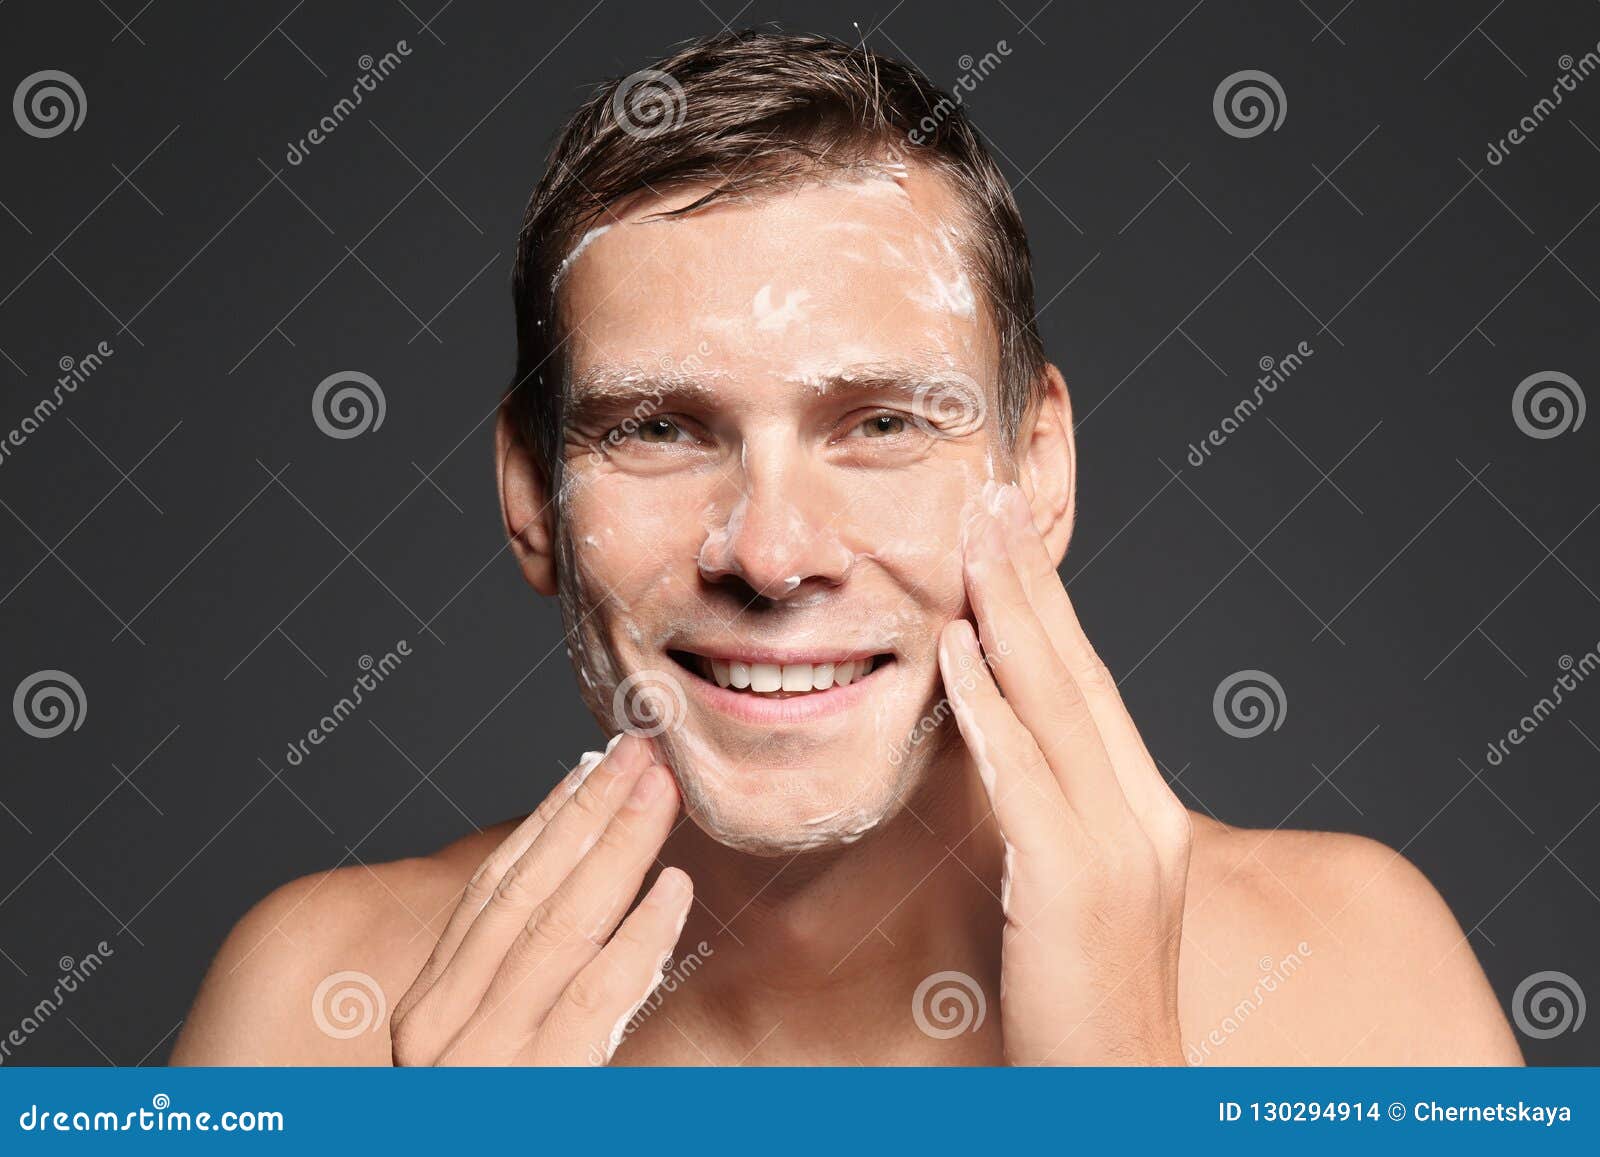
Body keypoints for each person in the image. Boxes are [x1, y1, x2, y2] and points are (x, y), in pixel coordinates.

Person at [172, 31, 1521, 1066]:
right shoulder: (318, 1005)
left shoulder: (1348, 984)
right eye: (658, 427)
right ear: (531, 490)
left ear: (1037, 470)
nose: (770, 551)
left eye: (879, 421)